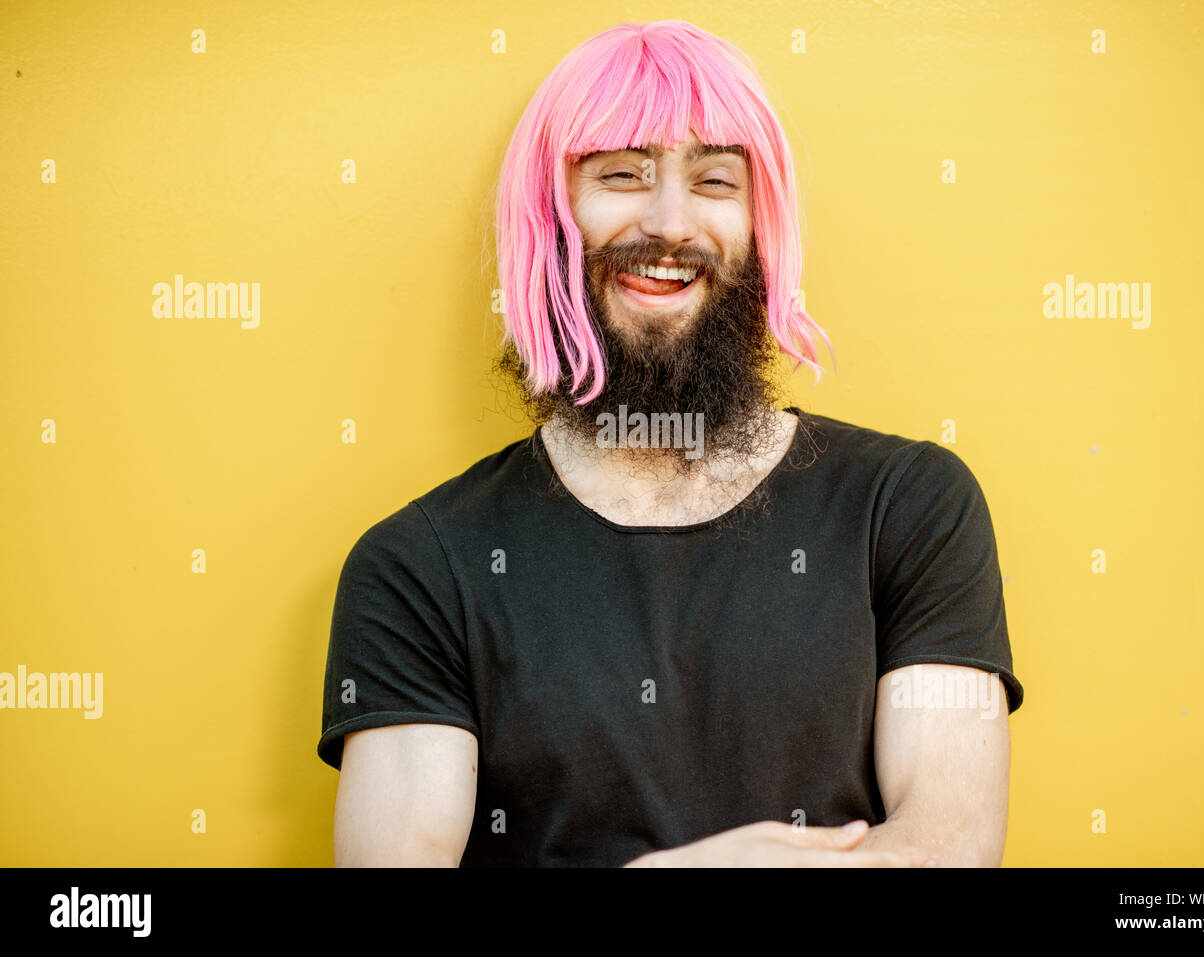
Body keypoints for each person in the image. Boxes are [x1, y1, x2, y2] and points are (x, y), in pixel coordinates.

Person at [317, 19, 1024, 867]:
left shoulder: (909, 507)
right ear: (551, 218)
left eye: (715, 179)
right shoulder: (419, 567)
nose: (670, 223)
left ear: (762, 225)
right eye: (621, 175)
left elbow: (948, 851)